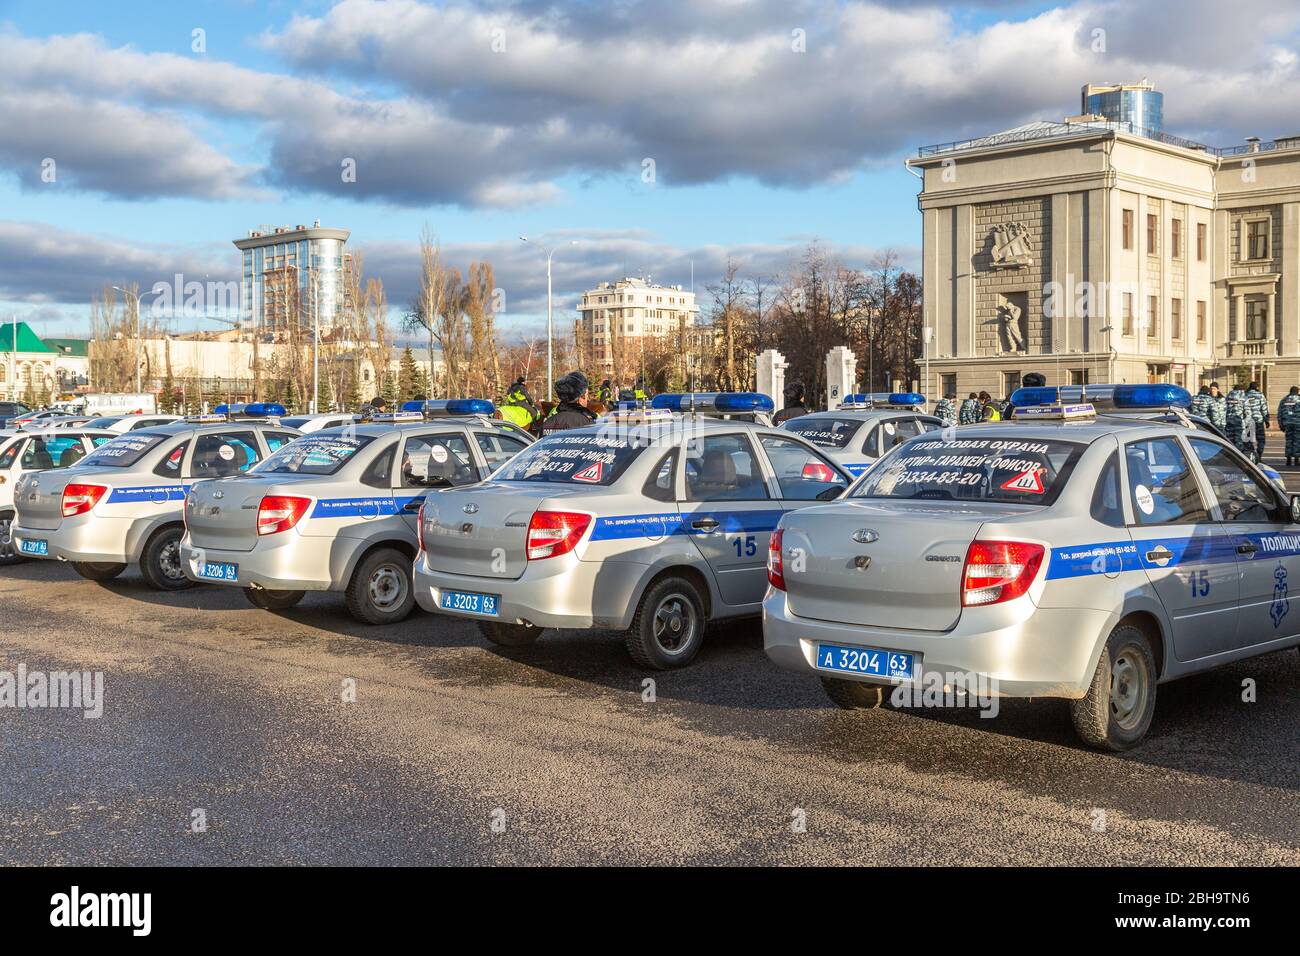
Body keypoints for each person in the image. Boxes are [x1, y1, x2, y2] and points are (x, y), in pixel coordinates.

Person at [1245, 381, 1268, 461]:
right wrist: (1266, 420)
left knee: (1248, 440)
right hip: (1258, 420)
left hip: (1248, 421)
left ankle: (1251, 456)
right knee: (1261, 439)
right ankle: (1259, 455)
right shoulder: (1260, 395)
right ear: (1257, 387)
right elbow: (1264, 408)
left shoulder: (1245, 395)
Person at [1280, 386, 1300, 467]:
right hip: (1298, 423)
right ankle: (1296, 459)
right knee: (1297, 441)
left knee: (1288, 441)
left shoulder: (1284, 399)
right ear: (1297, 391)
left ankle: (1288, 460)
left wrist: (1281, 424)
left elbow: (1280, 413)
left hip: (1287, 423)